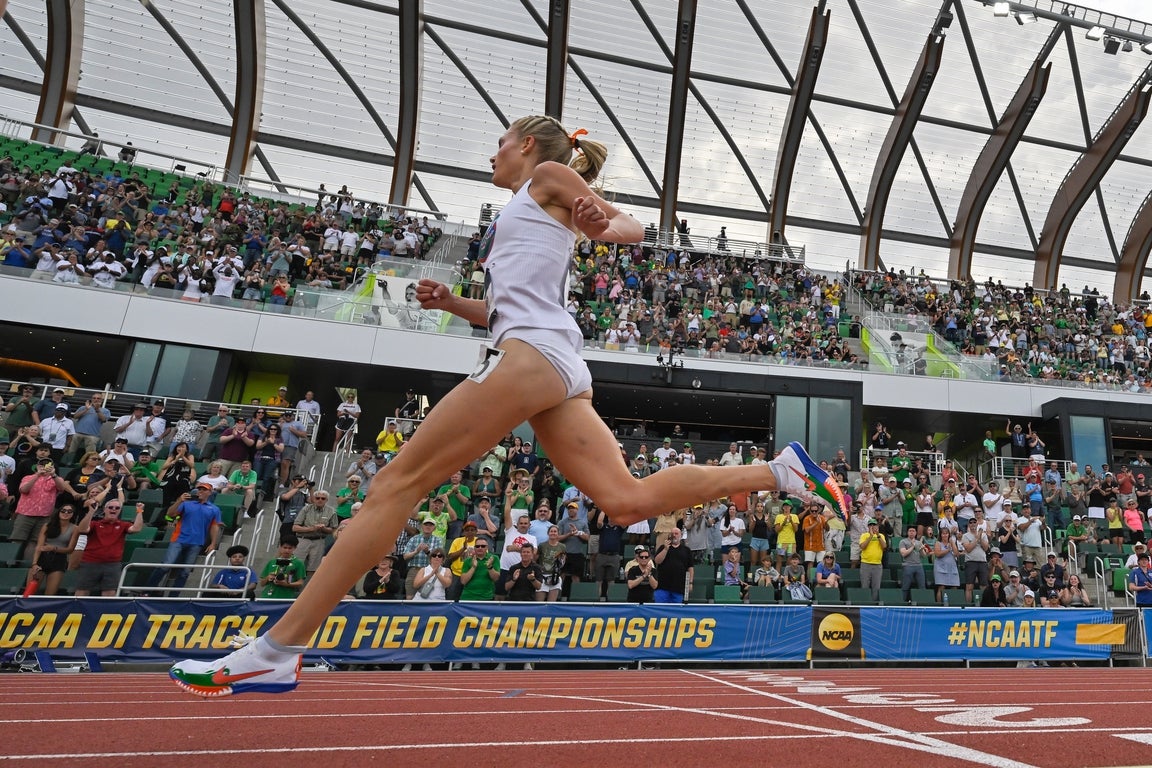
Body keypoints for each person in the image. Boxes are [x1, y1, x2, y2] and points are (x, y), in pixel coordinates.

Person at [169, 114, 846, 697]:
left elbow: (632, 229)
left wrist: (598, 219)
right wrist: (454, 304)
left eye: (499, 142)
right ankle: (779, 472)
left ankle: (278, 652)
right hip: (549, 360)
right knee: (628, 502)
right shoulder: (522, 213)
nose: (491, 155)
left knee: (392, 484)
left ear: (527, 143)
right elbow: (503, 309)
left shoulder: (547, 177)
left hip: (532, 358)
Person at [149, 483, 222, 594]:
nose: (201, 491)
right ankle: (148, 590)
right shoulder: (186, 504)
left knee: (185, 572)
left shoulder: (214, 509)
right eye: (199, 489)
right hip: (179, 539)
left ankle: (174, 596)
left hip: (197, 542)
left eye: (204, 490)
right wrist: (179, 500)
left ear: (209, 493)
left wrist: (213, 543)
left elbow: (214, 526)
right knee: (166, 565)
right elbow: (170, 513)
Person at [74, 499, 145, 596]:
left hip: (112, 564)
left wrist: (139, 511)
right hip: (90, 562)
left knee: (109, 593)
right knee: (82, 591)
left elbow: (137, 528)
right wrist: (91, 511)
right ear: (104, 509)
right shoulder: (95, 524)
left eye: (117, 508)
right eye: (110, 507)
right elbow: (81, 529)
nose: (114, 509)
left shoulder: (123, 525)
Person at [24, 503, 80, 596]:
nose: (66, 513)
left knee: (50, 594)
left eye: (69, 511)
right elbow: (39, 546)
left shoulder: (75, 528)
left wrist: (54, 548)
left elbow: (70, 549)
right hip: (43, 557)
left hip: (59, 559)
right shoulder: (47, 525)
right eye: (63, 510)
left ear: (73, 514)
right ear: (59, 512)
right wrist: (34, 563)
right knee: (30, 592)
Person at [652, 526, 694, 603]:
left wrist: (690, 583)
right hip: (662, 586)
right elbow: (657, 561)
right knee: (660, 610)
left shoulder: (686, 550)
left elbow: (690, 567)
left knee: (676, 611)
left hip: (678, 587)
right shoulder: (662, 547)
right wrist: (665, 549)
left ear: (680, 535)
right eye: (672, 533)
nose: (674, 535)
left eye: (676, 533)